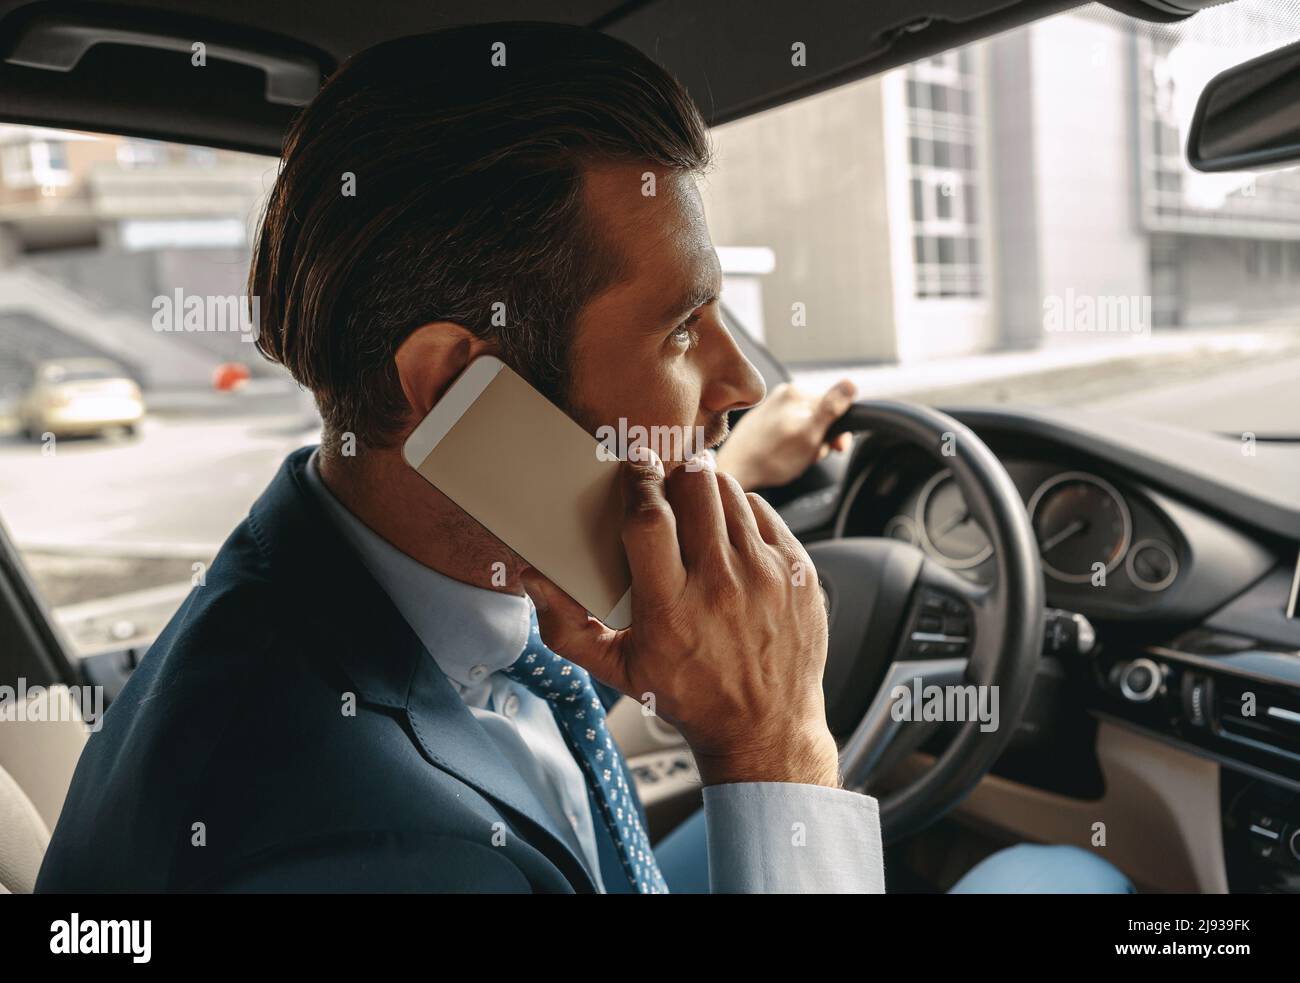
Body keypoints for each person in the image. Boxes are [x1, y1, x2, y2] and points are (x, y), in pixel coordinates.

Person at [37, 22, 1131, 894]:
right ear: (456, 384)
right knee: (1057, 869)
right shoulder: (376, 850)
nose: (742, 382)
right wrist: (775, 746)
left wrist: (720, 474)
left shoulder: (327, 564)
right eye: (680, 328)